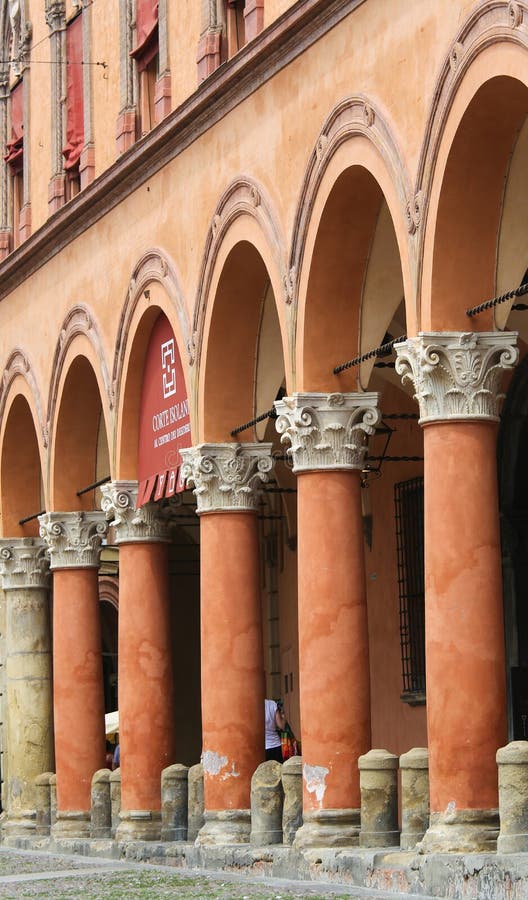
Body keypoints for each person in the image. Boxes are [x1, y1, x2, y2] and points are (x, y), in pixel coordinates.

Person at [265, 698, 286, 762]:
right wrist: (283, 716)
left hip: (260, 747)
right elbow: (281, 726)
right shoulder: (272, 704)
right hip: (275, 745)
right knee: (278, 771)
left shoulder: (252, 704)